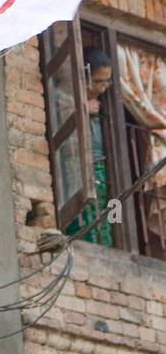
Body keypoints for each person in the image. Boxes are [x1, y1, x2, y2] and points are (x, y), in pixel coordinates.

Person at [65, 48, 114, 247]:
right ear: (84, 75)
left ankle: (103, 246)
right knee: (84, 211)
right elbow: (60, 112)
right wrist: (83, 107)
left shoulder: (103, 101)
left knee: (102, 212)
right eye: (98, 81)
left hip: (100, 166)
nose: (103, 88)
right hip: (77, 166)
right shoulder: (65, 96)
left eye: (107, 81)